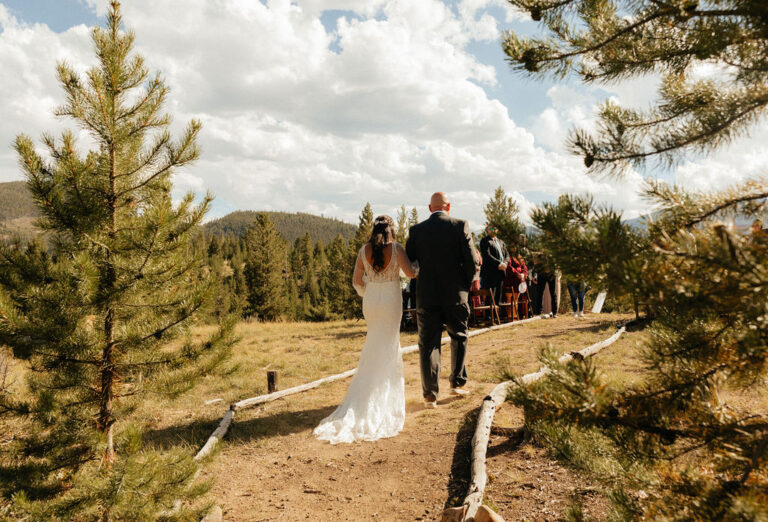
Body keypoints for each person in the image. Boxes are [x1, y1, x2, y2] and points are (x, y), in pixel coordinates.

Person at [314, 215, 417, 444]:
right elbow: (410, 273)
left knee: (374, 343)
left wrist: (369, 293)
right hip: (390, 299)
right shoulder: (397, 248)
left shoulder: (364, 250)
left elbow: (356, 281)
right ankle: (384, 398)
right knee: (389, 345)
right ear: (391, 230)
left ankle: (366, 395)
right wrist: (419, 266)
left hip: (371, 301)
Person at [406, 192, 478, 408]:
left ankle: (430, 395)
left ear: (430, 208)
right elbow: (471, 261)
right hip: (456, 294)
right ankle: (457, 383)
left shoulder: (417, 230)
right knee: (459, 336)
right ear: (449, 207)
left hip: (427, 295)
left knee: (428, 344)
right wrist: (464, 287)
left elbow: (410, 260)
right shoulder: (460, 226)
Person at [479, 226, 508, 306]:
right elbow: (487, 255)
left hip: (501, 272)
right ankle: (489, 316)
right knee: (491, 296)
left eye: (495, 228)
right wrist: (499, 263)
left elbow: (507, 255)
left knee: (499, 295)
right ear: (487, 230)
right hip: (490, 273)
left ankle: (496, 316)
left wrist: (505, 263)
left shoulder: (501, 242)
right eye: (491, 229)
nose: (493, 230)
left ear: (497, 230)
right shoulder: (485, 240)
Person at [533, 252, 557, 317]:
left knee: (553, 293)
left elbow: (556, 264)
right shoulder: (539, 254)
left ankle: (554, 312)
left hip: (551, 274)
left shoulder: (551, 253)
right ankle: (538, 312)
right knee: (539, 293)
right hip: (541, 274)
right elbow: (535, 264)